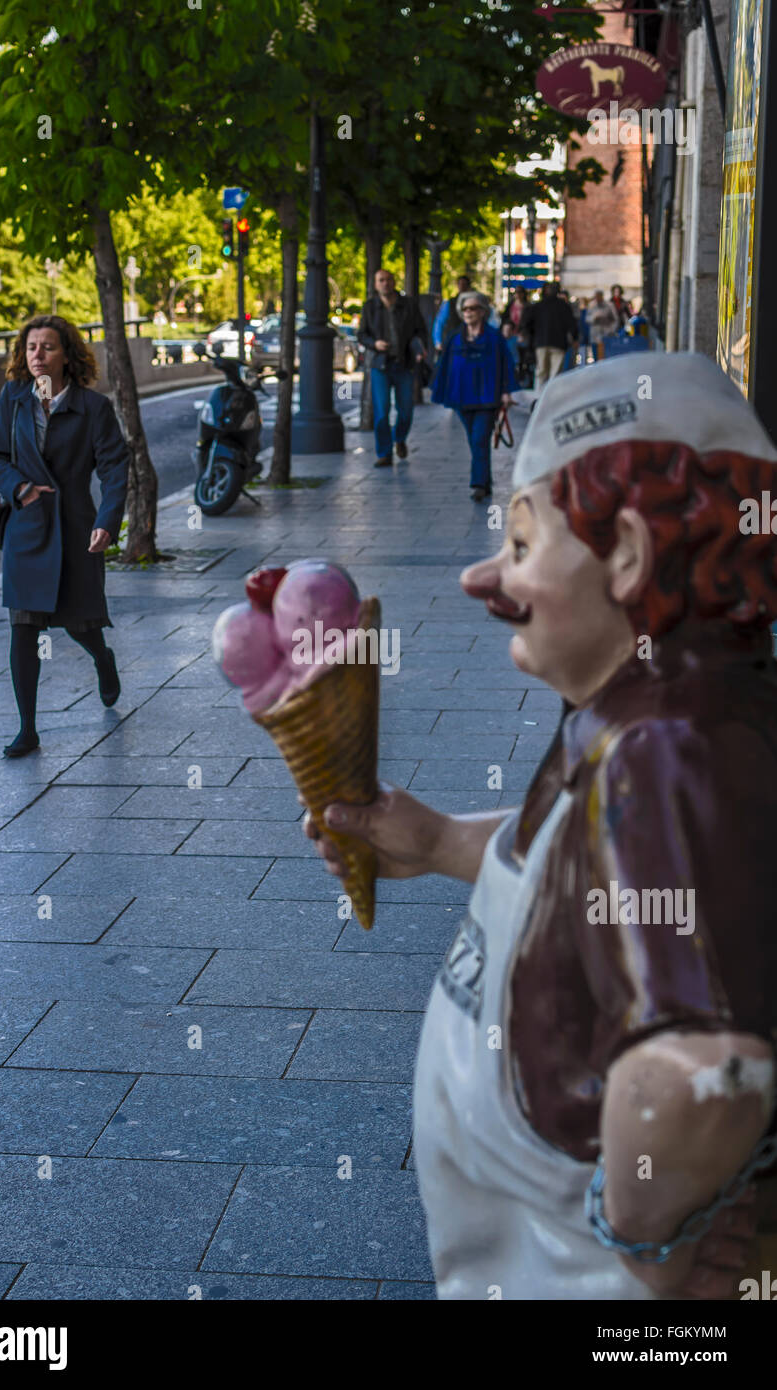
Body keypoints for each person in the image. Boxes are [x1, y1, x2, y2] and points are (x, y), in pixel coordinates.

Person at [304, 351, 777, 1300]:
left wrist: (645, 1254)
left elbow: (701, 1074)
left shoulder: (665, 751)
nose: (485, 578)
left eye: (520, 546)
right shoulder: (636, 716)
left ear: (631, 556)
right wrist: (438, 841)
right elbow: (586, 873)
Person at [0, 315, 129, 758]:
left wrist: (107, 521)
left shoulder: (93, 408)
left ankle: (102, 658)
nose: (37, 355)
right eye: (31, 347)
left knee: (78, 623)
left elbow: (114, 469)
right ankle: (27, 729)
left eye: (48, 347)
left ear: (67, 354)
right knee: (23, 625)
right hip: (26, 529)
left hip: (75, 529)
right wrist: (19, 488)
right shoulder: (12, 398)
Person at [431, 290, 515, 503]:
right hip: (461, 397)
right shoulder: (455, 338)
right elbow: (445, 367)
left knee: (479, 439)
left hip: (488, 396)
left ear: (482, 311)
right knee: (475, 440)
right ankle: (485, 480)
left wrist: (506, 391)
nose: (468, 312)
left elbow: (506, 365)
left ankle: (478, 484)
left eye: (473, 308)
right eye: (465, 309)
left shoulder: (494, 338)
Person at [358, 268, 428, 468]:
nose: (385, 283)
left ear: (394, 282)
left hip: (404, 364)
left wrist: (419, 349)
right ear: (375, 284)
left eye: (388, 279)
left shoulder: (408, 305)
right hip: (380, 365)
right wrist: (374, 344)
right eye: (381, 280)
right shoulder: (370, 307)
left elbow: (421, 330)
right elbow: (361, 334)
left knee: (405, 410)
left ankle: (400, 438)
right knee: (381, 412)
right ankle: (384, 453)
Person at [520, 281, 578, 388]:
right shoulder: (564, 306)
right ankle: (552, 397)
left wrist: (529, 335)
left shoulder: (538, 306)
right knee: (555, 374)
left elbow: (526, 323)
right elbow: (572, 324)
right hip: (558, 343)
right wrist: (574, 338)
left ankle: (539, 397)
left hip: (541, 342)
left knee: (541, 372)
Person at [432, 275, 472, 352]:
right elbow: (440, 322)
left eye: (464, 284)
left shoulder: (474, 303)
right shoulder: (450, 303)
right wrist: (438, 341)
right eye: (460, 284)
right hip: (454, 341)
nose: (462, 287)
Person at [586, 289, 620, 360]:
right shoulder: (591, 305)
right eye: (596, 297)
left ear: (602, 296)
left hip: (607, 336)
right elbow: (587, 319)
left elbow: (615, 319)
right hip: (594, 336)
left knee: (606, 358)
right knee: (596, 357)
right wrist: (594, 319)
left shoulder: (609, 305)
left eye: (599, 296)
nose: (598, 298)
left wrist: (611, 330)